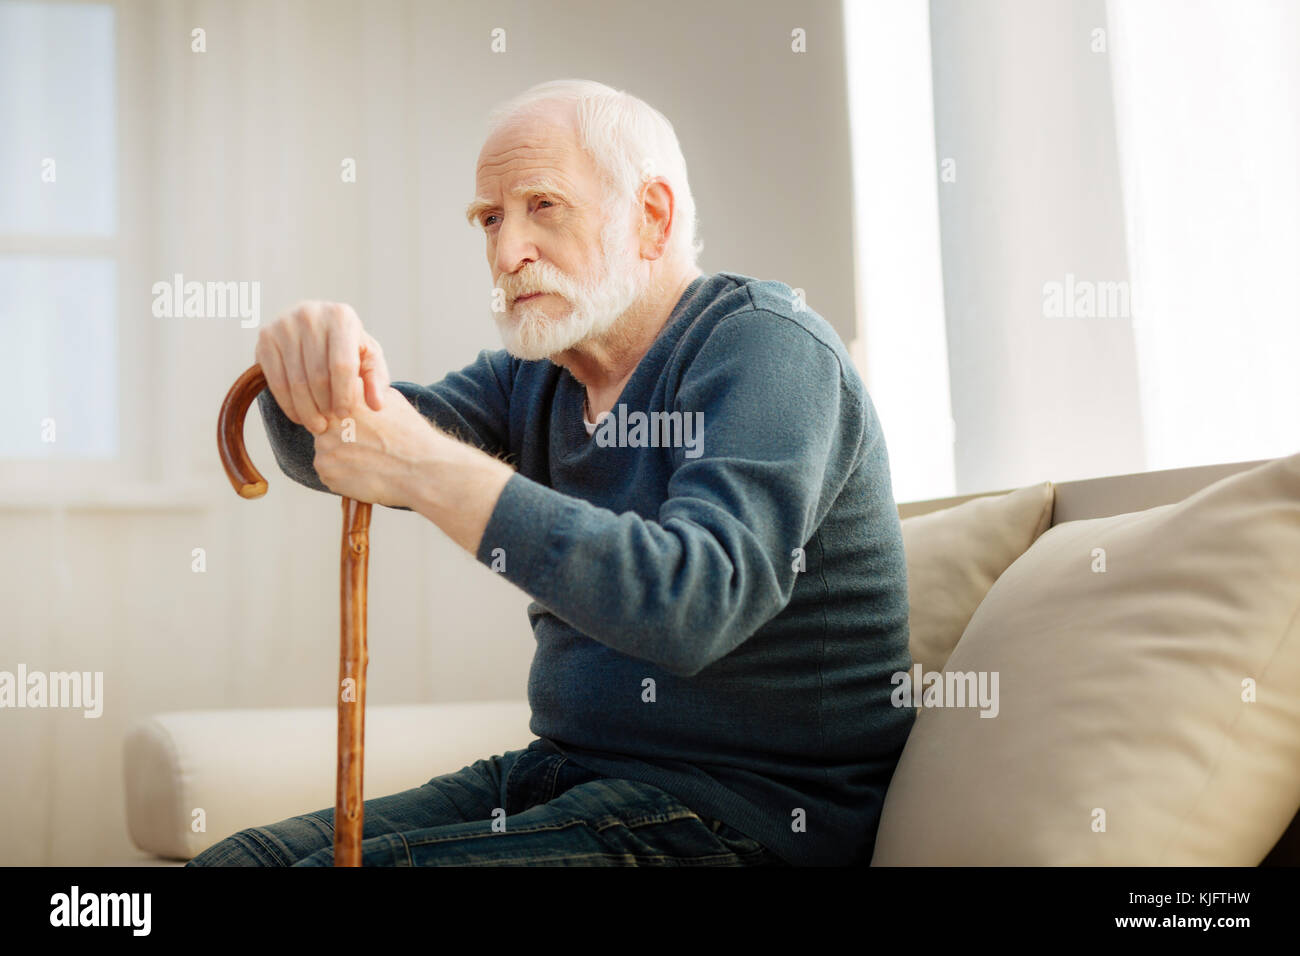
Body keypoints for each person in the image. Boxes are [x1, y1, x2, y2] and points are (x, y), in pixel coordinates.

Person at [188, 78, 914, 867]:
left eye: (544, 206)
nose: (507, 253)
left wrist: (425, 467)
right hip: (568, 772)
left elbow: (697, 604)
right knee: (243, 863)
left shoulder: (769, 348)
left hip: (746, 816)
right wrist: (307, 367)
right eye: (491, 219)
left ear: (652, 216)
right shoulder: (536, 377)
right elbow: (339, 452)